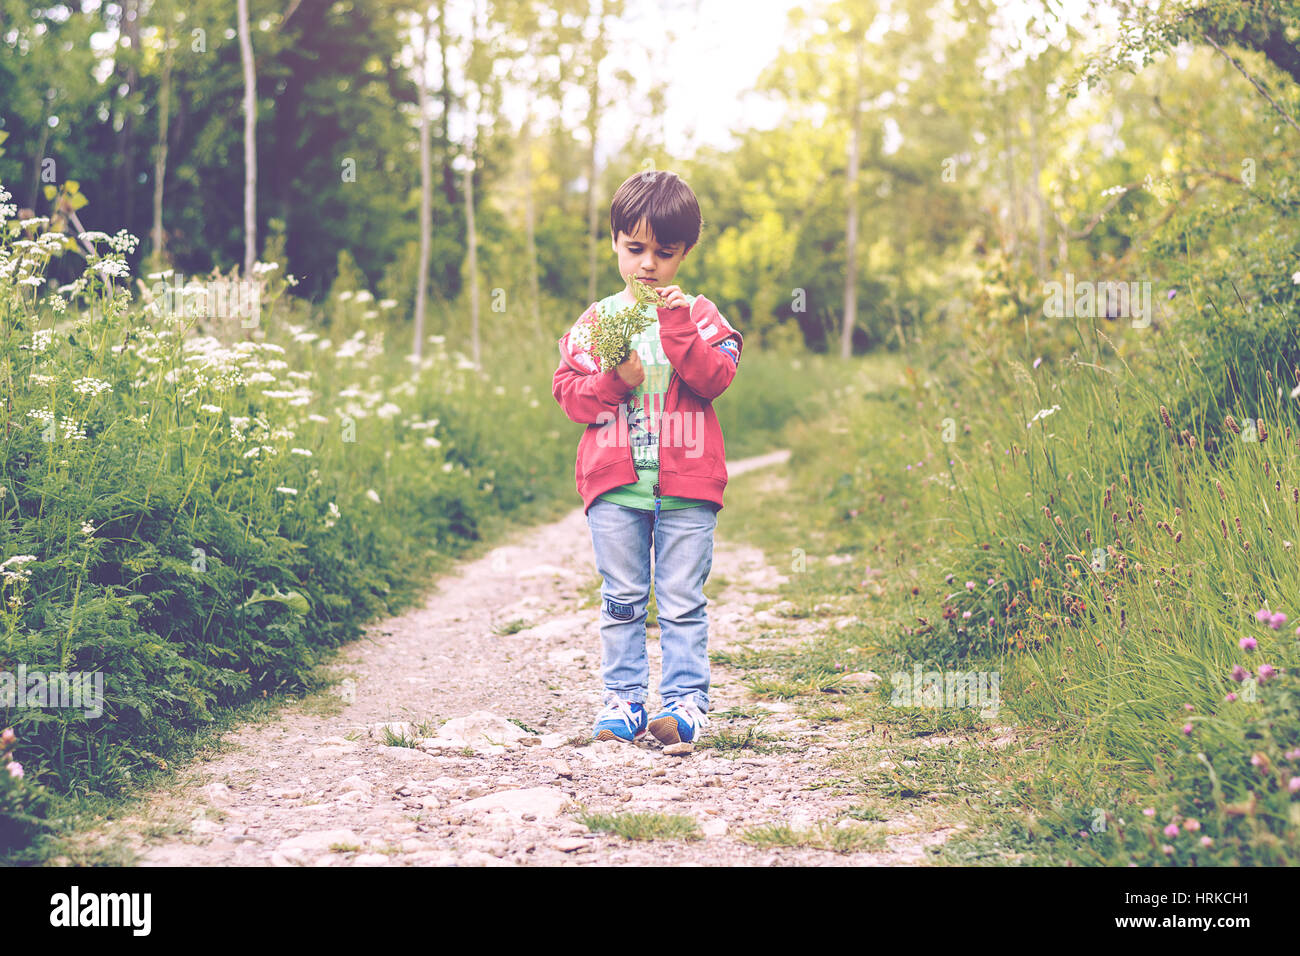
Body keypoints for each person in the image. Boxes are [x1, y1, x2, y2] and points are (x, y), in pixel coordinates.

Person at [551, 169, 743, 747]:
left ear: (685, 252)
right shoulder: (596, 323)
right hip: (614, 489)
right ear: (614, 242)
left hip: (689, 489)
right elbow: (570, 397)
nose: (648, 265)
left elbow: (713, 379)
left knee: (683, 600)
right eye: (635, 249)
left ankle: (686, 704)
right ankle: (625, 700)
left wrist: (677, 325)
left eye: (665, 252)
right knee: (622, 600)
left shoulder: (703, 317)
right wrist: (615, 379)